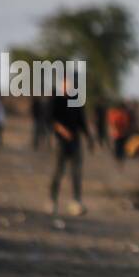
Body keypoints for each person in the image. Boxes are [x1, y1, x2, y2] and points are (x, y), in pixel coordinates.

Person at [48, 79, 93, 215]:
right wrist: (62, 130)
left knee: (76, 173)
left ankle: (76, 201)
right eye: (66, 86)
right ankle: (52, 200)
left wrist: (89, 137)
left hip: (75, 141)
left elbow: (82, 121)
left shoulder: (77, 100)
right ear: (62, 86)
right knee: (58, 171)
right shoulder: (56, 100)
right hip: (61, 142)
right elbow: (51, 119)